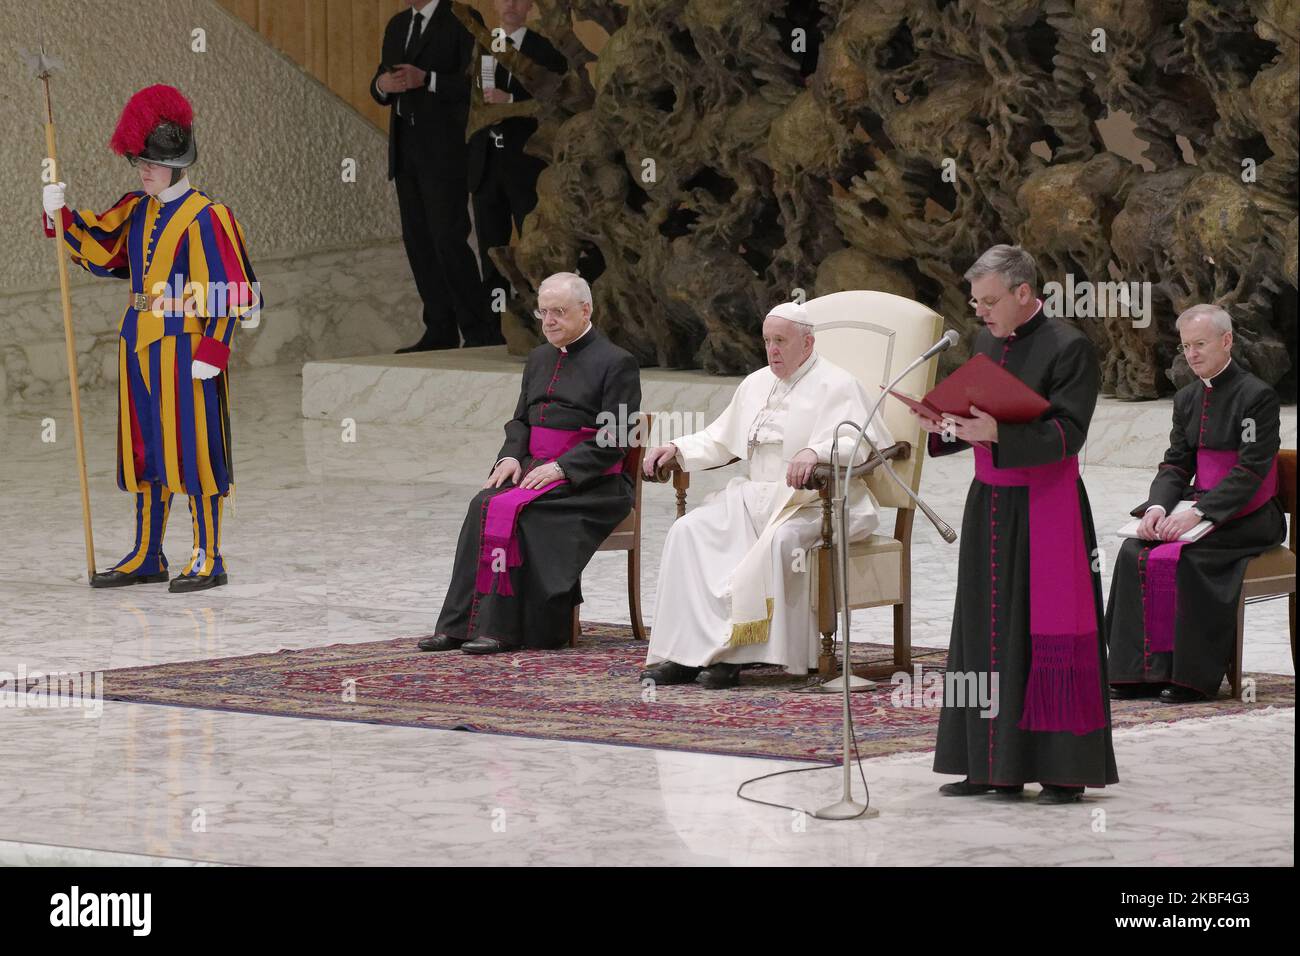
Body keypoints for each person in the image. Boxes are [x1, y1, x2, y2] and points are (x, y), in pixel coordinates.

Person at [42, 84, 260, 593]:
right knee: (145, 448)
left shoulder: (210, 216)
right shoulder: (136, 208)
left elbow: (233, 290)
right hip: (138, 343)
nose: (143, 169)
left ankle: (208, 555)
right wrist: (61, 213)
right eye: (139, 160)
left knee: (196, 450)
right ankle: (147, 552)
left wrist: (215, 348)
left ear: (179, 164)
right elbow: (101, 250)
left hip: (187, 349)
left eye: (153, 163)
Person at [921, 245, 1117, 804]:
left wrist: (997, 436)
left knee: (1046, 630)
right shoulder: (985, 341)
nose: (980, 312)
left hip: (1047, 505)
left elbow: (1068, 434)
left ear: (1024, 293)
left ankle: (1060, 770)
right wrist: (945, 423)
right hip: (989, 504)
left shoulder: (1070, 347)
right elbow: (977, 416)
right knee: (983, 628)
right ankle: (988, 765)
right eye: (976, 301)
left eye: (989, 301)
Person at [638, 302, 891, 690]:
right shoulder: (755, 383)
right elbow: (720, 438)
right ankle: (687, 653)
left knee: (780, 542)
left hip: (817, 502)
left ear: (807, 343)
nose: (773, 350)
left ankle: (739, 657)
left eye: (781, 341)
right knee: (688, 531)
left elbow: (861, 442)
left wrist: (816, 452)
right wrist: (677, 448)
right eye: (768, 341)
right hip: (755, 498)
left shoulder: (838, 384)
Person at [417, 273, 641, 654]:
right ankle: (458, 625)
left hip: (593, 482)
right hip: (535, 468)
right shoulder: (538, 358)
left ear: (586, 310)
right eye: (543, 312)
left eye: (559, 312)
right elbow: (520, 420)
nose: (549, 320)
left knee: (526, 515)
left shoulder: (617, 362)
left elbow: (615, 437)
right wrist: (509, 456)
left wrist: (563, 468)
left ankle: (509, 630)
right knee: (482, 505)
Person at [1106, 304, 1285, 703]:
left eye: (1200, 344)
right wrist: (1156, 508)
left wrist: (1199, 514)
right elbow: (1175, 464)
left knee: (1190, 558)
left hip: (1250, 514)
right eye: (1186, 346)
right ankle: (1139, 672)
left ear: (1226, 341)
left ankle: (1192, 677)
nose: (1192, 354)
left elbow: (1250, 471)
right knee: (1133, 550)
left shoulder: (1257, 397)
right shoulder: (1187, 398)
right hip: (1201, 507)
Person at [372, 0, 495, 351]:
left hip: (446, 152)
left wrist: (428, 80)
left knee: (448, 239)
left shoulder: (462, 18)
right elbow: (380, 82)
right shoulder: (397, 25)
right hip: (406, 152)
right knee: (419, 243)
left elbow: (478, 86)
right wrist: (382, 84)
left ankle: (479, 329)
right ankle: (440, 328)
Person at [468, 0, 568, 334]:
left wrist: (509, 102)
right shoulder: (484, 43)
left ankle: (543, 325)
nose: (510, 5)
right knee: (490, 252)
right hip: (486, 165)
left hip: (525, 167)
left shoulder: (545, 50)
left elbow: (557, 100)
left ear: (528, 6)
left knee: (532, 246)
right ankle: (493, 328)